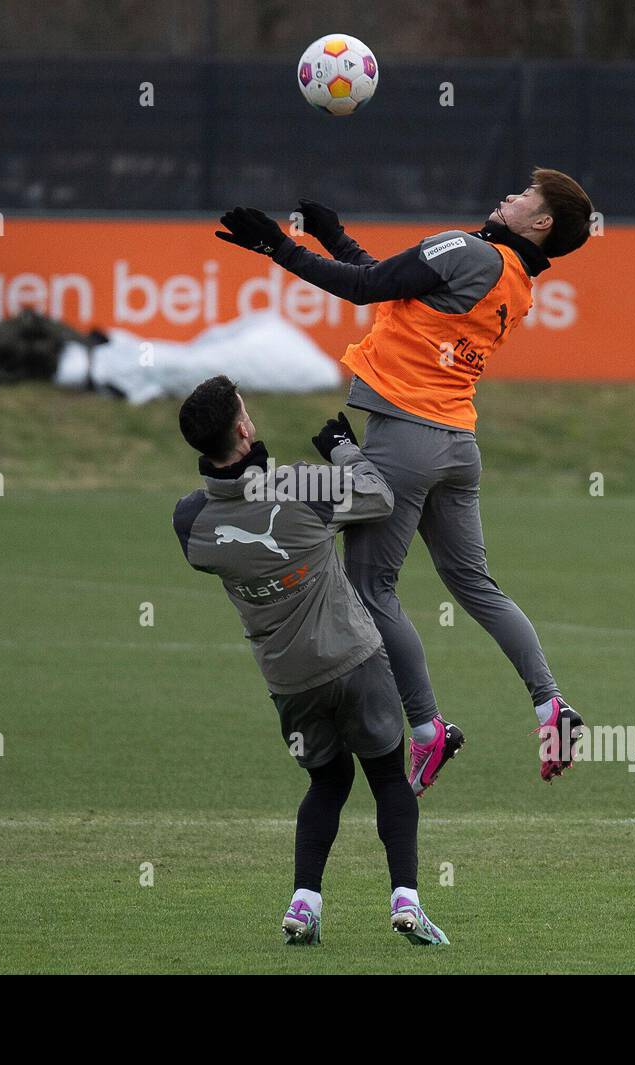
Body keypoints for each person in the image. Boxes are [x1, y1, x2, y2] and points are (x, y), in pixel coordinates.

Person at [214, 169, 592, 782]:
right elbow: (392, 285)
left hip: (405, 440)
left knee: (372, 589)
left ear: (541, 222)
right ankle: (551, 701)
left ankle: (426, 727)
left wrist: (277, 249)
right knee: (475, 585)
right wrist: (335, 237)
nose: (511, 195)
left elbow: (366, 288)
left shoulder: (470, 249)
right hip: (457, 444)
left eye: (525, 195)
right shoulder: (516, 281)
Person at [173, 375, 449, 945]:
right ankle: (407, 902)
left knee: (327, 783)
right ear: (245, 429)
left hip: (290, 684)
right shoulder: (301, 487)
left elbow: (222, 512)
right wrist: (343, 450)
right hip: (356, 659)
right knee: (389, 781)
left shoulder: (191, 522)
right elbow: (378, 495)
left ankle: (304, 904)